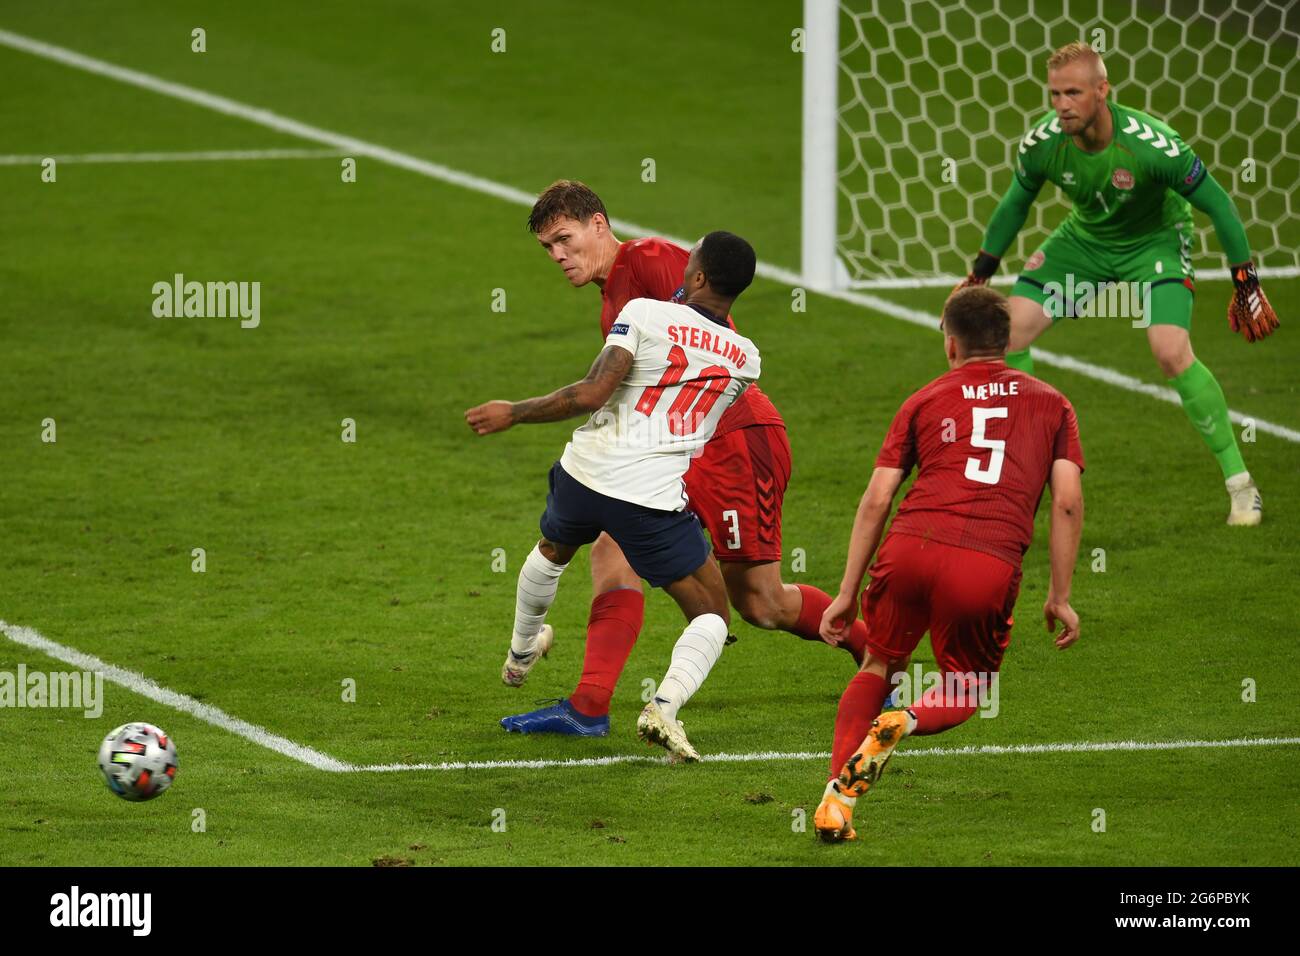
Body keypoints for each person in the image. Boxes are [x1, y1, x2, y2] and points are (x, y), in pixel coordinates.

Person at [467, 232, 763, 761]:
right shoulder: (747, 359)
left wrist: (513, 410)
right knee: (712, 613)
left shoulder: (643, 312)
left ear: (695, 278)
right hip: (648, 500)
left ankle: (518, 657)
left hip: (582, 475)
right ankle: (663, 709)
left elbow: (592, 392)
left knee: (551, 551)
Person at [955, 42, 1276, 526]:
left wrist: (1245, 282)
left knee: (1169, 350)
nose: (1062, 105)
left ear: (1102, 91)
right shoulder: (1043, 143)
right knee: (1009, 331)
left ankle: (1240, 485)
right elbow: (1015, 204)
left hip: (1155, 245)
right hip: (1084, 243)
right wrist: (980, 272)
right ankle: (1019, 473)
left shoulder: (1153, 145)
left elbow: (1219, 204)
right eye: (1054, 94)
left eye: (1073, 93)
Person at [812, 286, 1085, 842]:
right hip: (985, 564)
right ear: (1006, 342)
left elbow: (877, 499)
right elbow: (1066, 501)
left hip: (911, 545)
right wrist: (1059, 594)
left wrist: (845, 592)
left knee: (878, 666)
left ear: (951, 344)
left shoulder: (923, 399)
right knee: (966, 686)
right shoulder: (1053, 404)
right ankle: (906, 720)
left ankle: (836, 802)